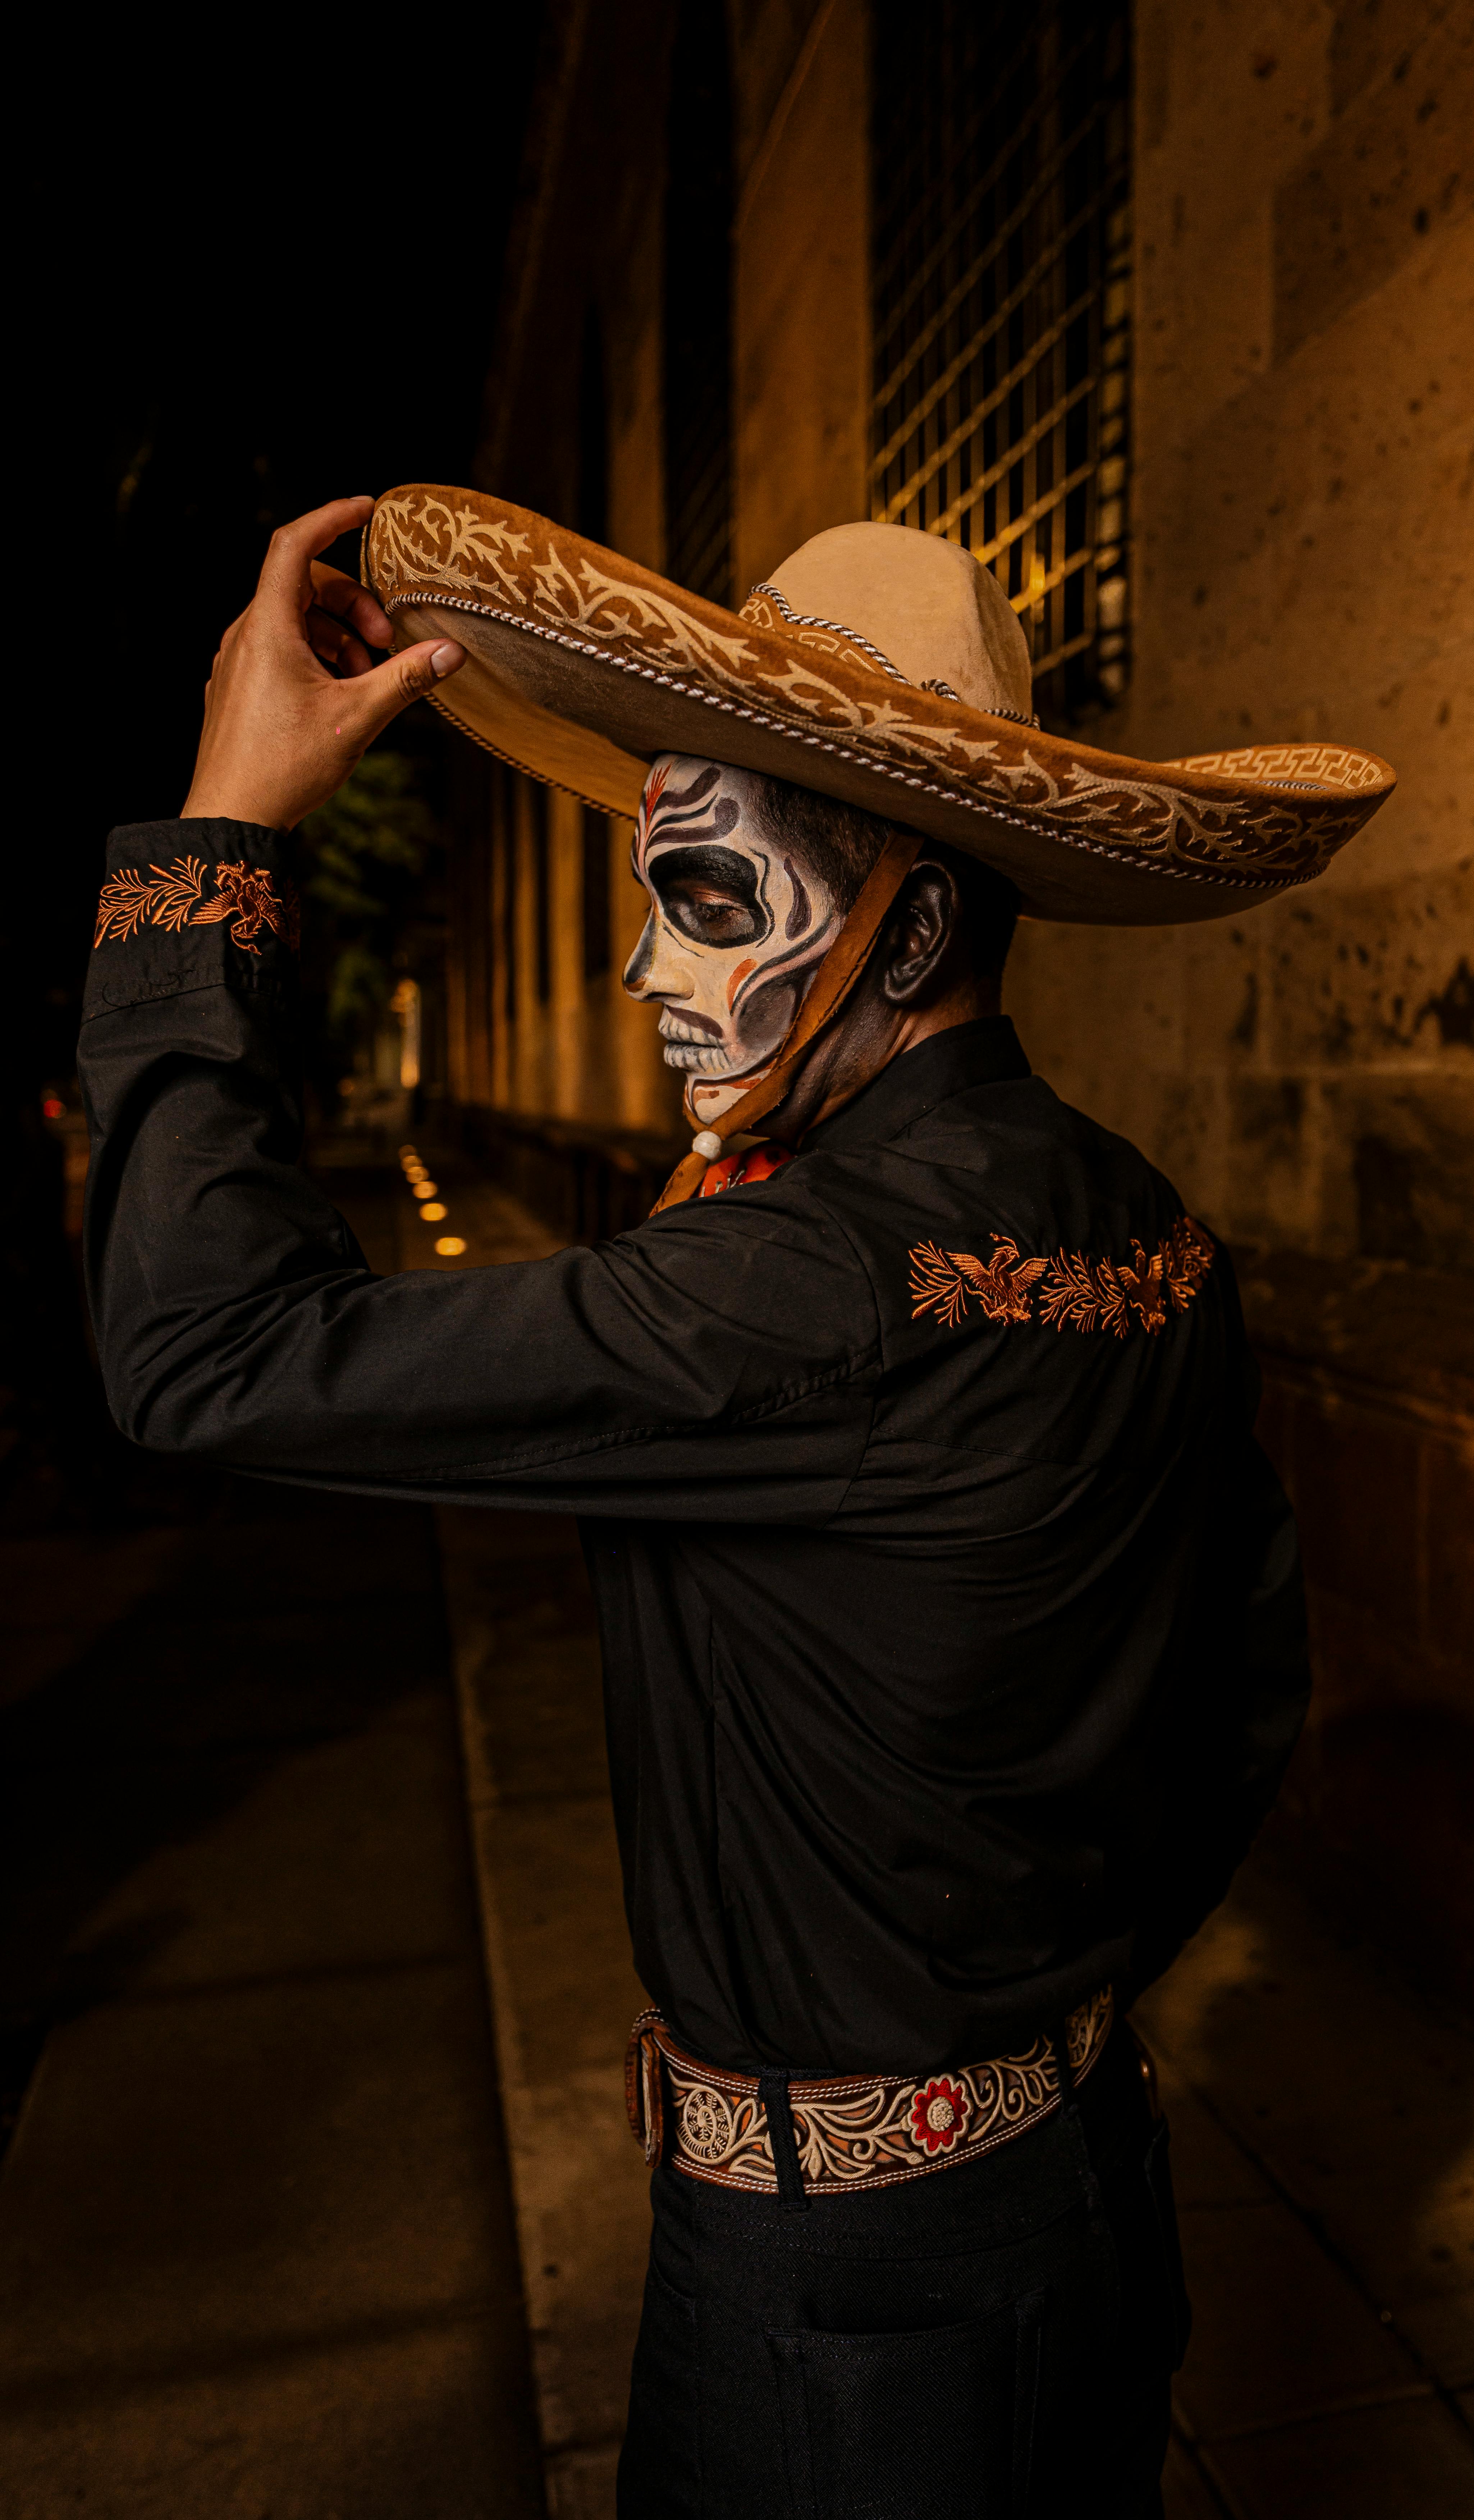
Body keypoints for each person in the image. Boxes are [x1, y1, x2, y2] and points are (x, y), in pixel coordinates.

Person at [79, 492, 1392, 2515]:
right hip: (1077, 2197)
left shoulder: (791, 1282)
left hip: (847, 2317)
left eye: (703, 892)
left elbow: (207, 1355)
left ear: (917, 928)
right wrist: (1003, 2007)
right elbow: (1241, 1690)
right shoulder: (1155, 1232)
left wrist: (221, 836)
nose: (635, 964)